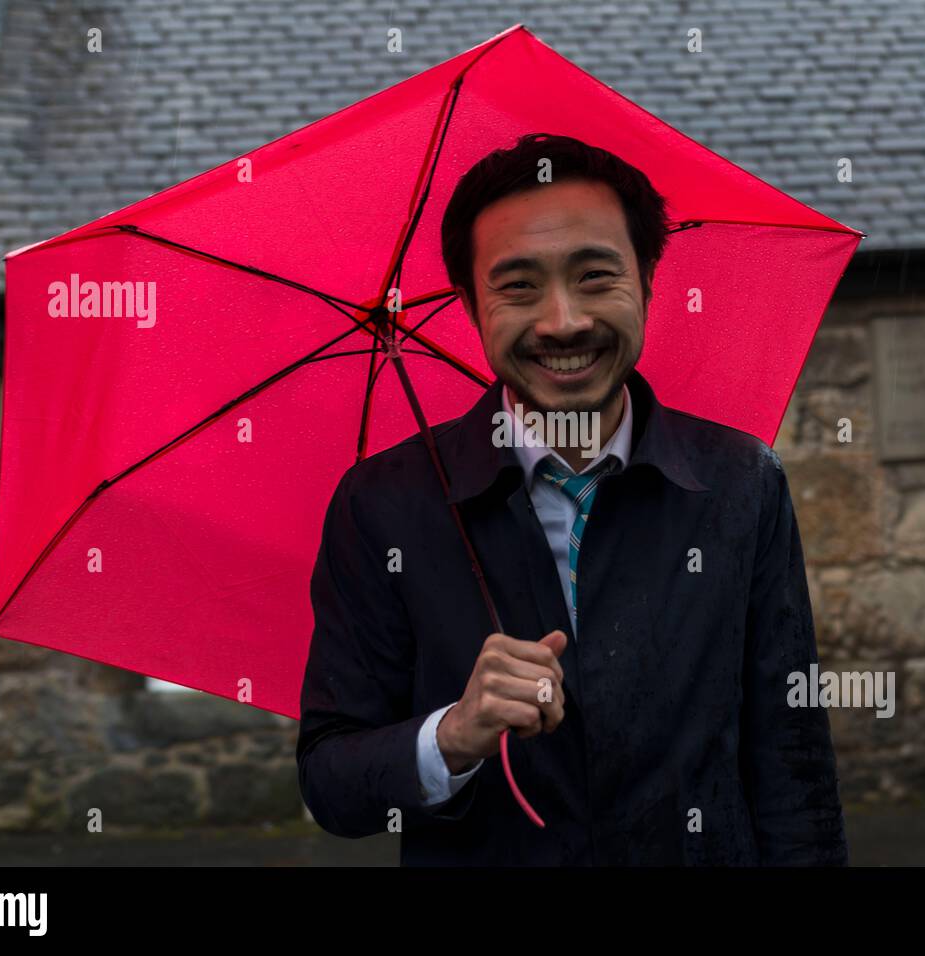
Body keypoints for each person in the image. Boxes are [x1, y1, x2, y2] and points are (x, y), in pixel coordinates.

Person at [296, 132, 848, 865]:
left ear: (648, 283)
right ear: (470, 304)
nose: (563, 322)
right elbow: (331, 783)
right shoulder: (383, 506)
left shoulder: (741, 483)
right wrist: (453, 734)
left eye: (595, 277)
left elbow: (793, 765)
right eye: (518, 286)